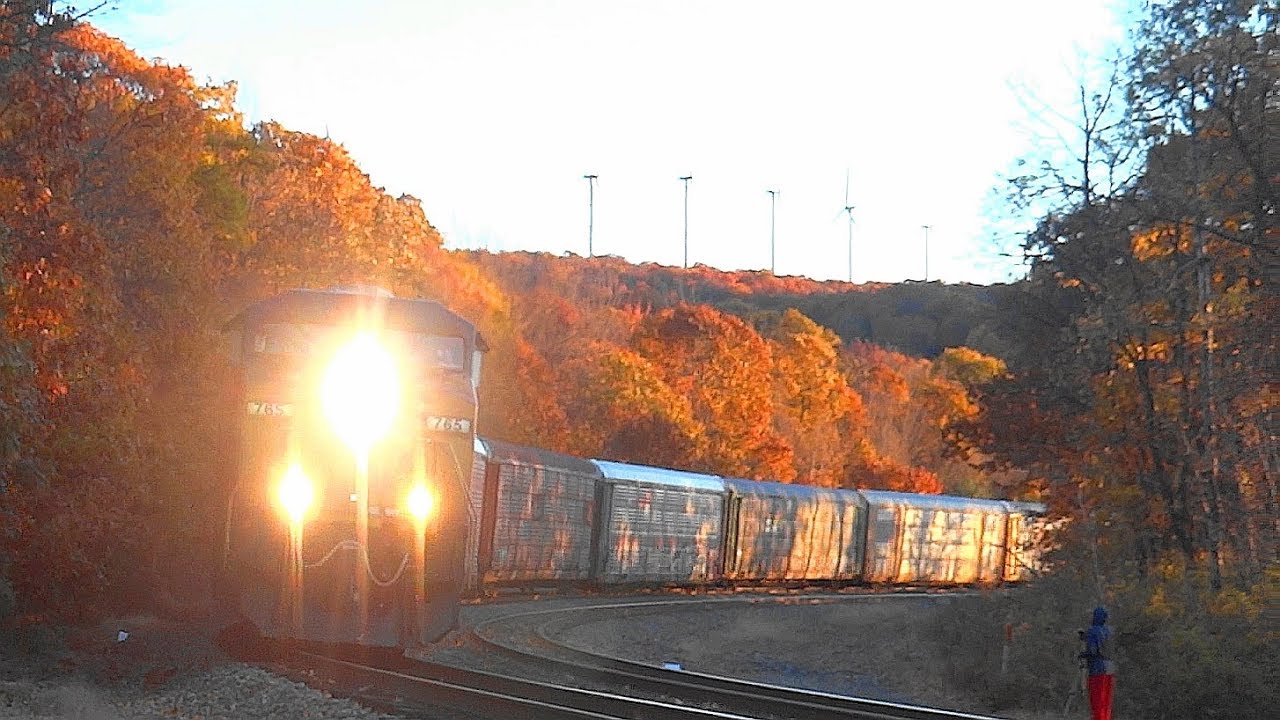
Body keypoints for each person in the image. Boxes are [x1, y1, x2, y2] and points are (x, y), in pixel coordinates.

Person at [1079, 606, 1116, 720]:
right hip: (1110, 668)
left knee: (1097, 701)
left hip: (1096, 669)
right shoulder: (1109, 631)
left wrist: (1082, 655)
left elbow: (1093, 651)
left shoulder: (1092, 631)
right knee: (1106, 703)